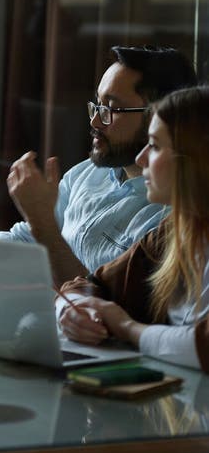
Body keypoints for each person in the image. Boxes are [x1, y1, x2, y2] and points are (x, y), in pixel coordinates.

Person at [0, 46, 197, 285]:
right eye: (96, 105)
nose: (94, 121)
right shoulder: (87, 174)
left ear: (159, 117)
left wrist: (43, 222)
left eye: (112, 109)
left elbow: (104, 304)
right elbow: (20, 244)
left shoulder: (173, 214)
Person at [58, 85, 209, 372]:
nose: (140, 159)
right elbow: (90, 284)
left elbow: (203, 346)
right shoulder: (174, 231)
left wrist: (127, 328)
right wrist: (71, 310)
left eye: (154, 146)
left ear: (193, 159)